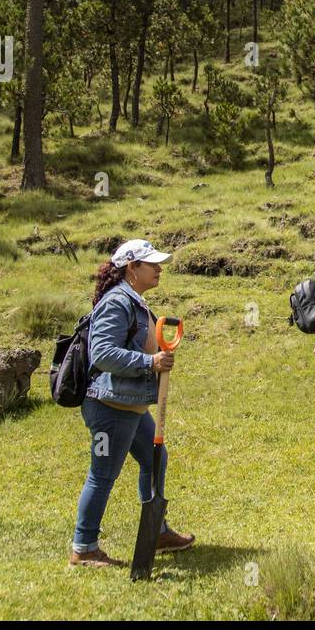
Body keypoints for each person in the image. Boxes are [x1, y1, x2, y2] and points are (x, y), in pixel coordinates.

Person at [70, 239, 195, 567]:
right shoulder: (117, 302)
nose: (159, 269)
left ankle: (157, 532)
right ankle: (84, 548)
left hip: (130, 406)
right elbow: (102, 354)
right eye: (152, 263)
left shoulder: (133, 300)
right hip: (109, 407)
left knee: (155, 459)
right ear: (131, 267)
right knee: (102, 474)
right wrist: (149, 362)